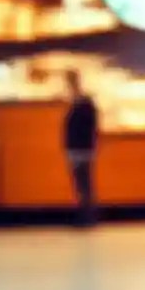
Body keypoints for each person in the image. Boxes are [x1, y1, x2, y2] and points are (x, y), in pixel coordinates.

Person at [62, 71, 99, 227]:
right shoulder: (82, 102)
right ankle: (86, 214)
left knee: (83, 183)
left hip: (80, 148)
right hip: (82, 148)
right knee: (83, 183)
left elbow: (81, 127)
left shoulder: (81, 103)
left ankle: (86, 215)